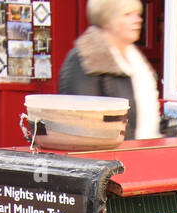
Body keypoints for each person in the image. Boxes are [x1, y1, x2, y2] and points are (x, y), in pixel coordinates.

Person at [59, 0, 161, 140]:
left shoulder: (135, 60)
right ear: (107, 19)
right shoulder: (85, 59)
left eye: (137, 14)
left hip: (141, 153)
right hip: (112, 158)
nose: (138, 20)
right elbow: (83, 126)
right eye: (127, 14)